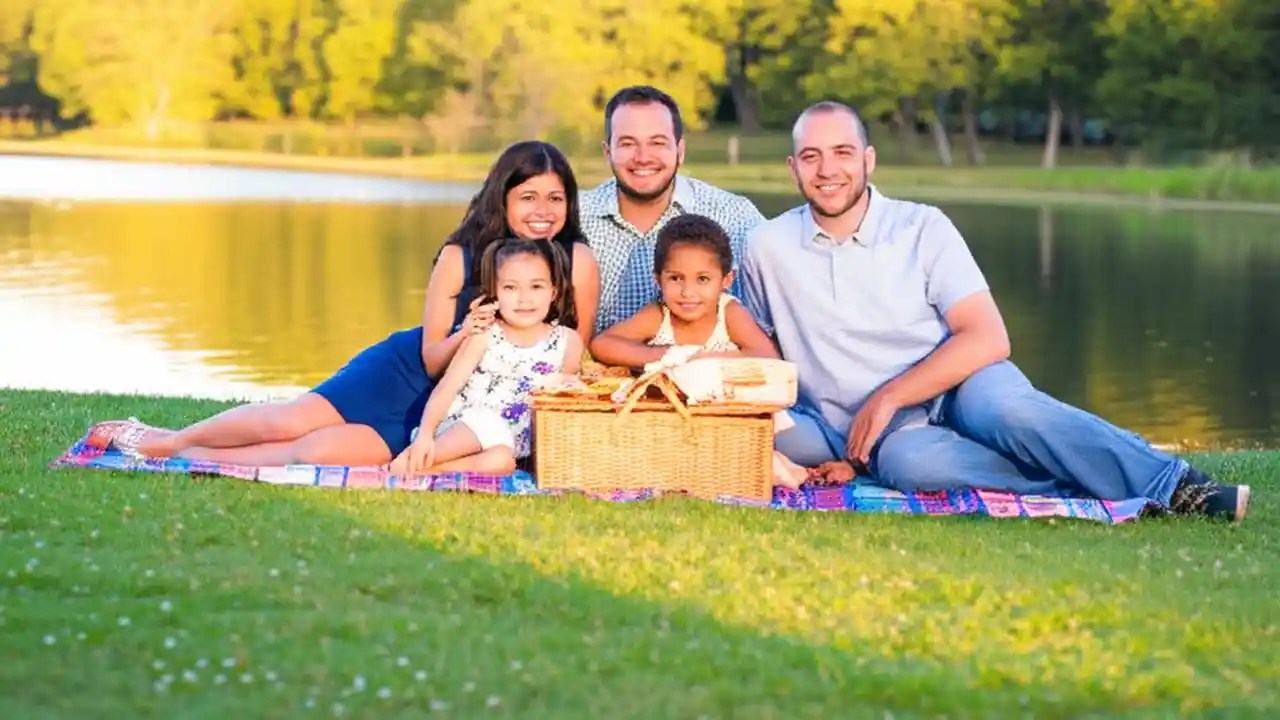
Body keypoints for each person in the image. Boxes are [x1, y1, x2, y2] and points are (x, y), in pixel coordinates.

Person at [739, 100, 1251, 521]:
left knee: (1009, 410)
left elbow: (987, 338)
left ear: (869, 159)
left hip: (959, 387)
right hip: (864, 430)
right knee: (911, 466)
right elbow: (760, 349)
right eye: (811, 156)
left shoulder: (922, 227)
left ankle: (1180, 486)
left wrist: (891, 396)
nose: (828, 170)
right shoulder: (766, 246)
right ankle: (1080, 473)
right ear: (792, 167)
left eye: (843, 152)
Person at [99, 140, 600, 468]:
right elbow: (431, 358)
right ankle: (166, 441)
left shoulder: (576, 260)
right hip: (410, 376)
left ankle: (192, 457)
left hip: (472, 414)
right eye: (529, 197)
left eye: (555, 199)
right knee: (291, 420)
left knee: (315, 452)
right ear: (503, 198)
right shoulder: (460, 254)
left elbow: (566, 367)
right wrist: (469, 331)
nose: (543, 212)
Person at [582, 85, 766, 333]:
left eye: (658, 143)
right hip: (591, 370)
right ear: (607, 152)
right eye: (627, 144)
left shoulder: (735, 217)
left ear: (680, 151)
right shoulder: (574, 216)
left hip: (708, 368)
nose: (643, 157)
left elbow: (774, 317)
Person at [395, 238, 582, 476]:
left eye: (536, 287)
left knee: (503, 462)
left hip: (508, 444)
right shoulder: (486, 334)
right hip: (463, 429)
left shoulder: (567, 341)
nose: (524, 299)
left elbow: (566, 395)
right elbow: (448, 386)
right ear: (495, 293)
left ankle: (424, 472)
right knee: (488, 422)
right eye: (510, 288)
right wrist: (424, 434)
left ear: (553, 292)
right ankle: (417, 456)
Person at [588, 213, 777, 368]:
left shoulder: (729, 313)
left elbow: (768, 357)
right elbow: (602, 344)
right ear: (658, 279)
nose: (688, 292)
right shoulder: (660, 316)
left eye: (702, 279)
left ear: (726, 280)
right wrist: (668, 355)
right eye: (676, 278)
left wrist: (702, 360)